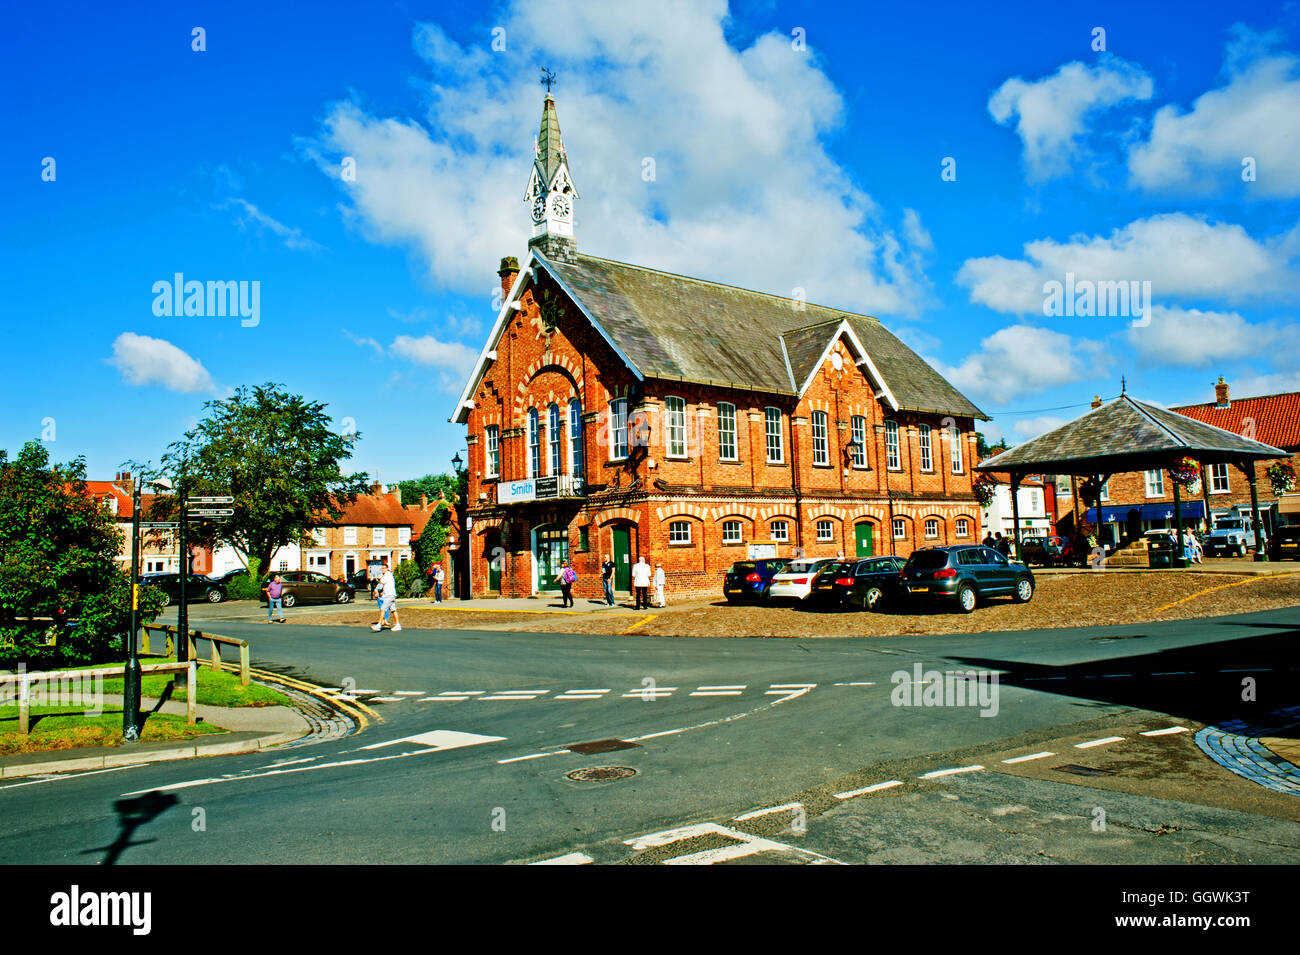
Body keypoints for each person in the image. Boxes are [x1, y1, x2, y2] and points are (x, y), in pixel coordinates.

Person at [371, 558, 401, 631]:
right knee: (393, 610)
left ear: (387, 568)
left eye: (384, 568)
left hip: (389, 595)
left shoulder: (388, 575)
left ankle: (379, 625)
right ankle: (397, 625)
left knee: (383, 609)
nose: (383, 570)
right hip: (389, 595)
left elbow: (381, 583)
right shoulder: (387, 575)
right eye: (382, 568)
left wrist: (376, 590)